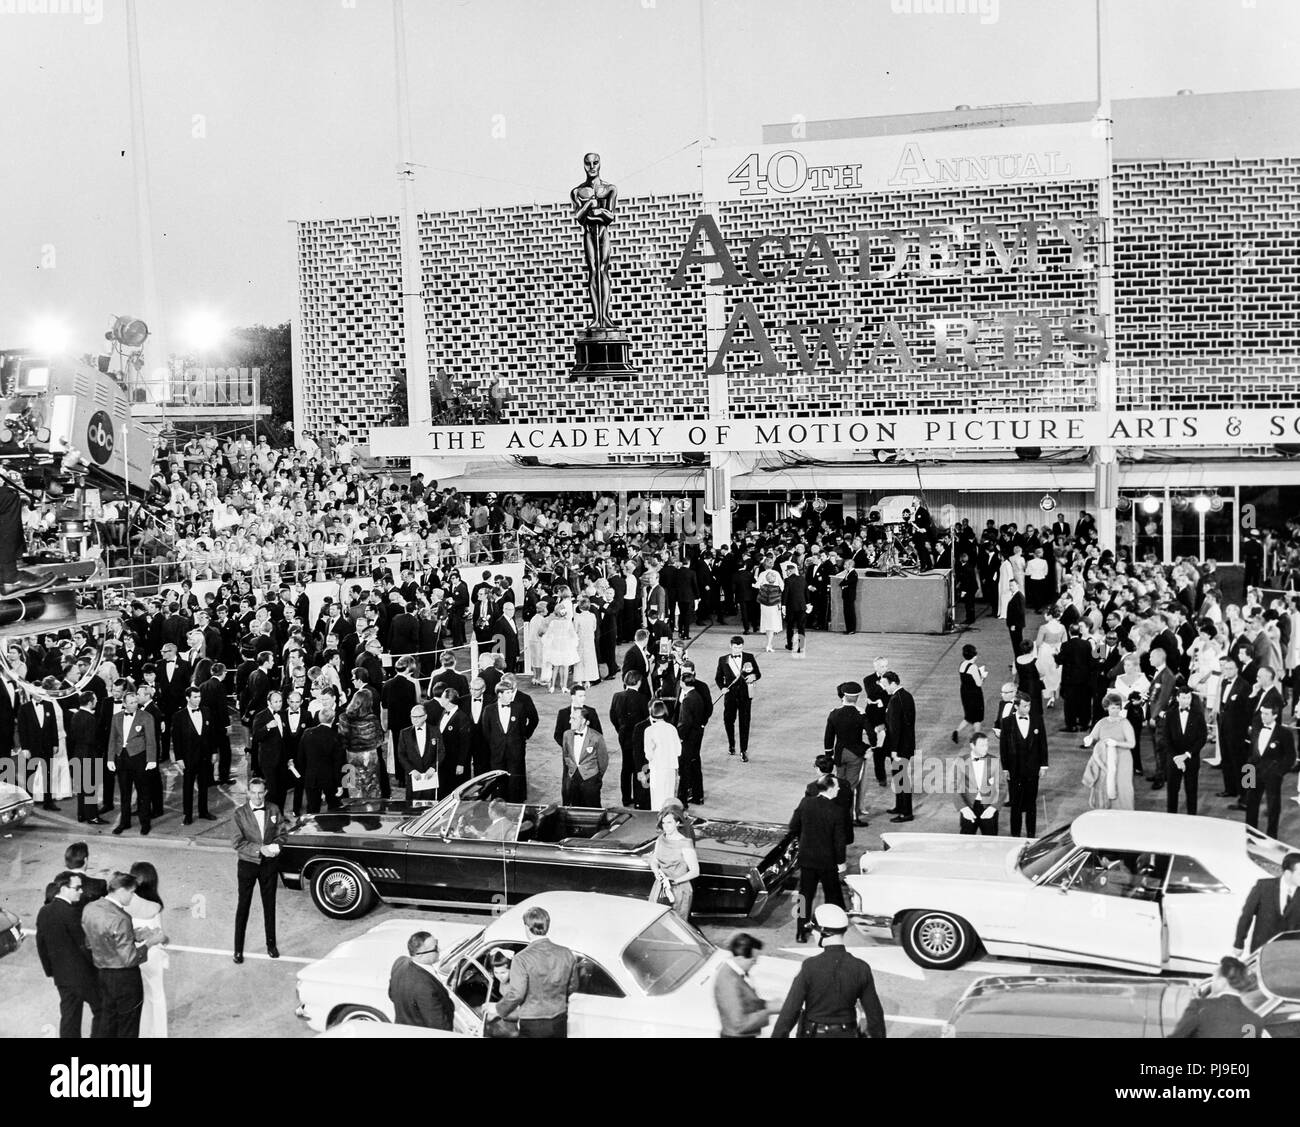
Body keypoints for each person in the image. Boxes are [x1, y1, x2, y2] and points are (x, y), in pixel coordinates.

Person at [771, 904, 886, 1039]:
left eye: (814, 929)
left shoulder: (810, 966)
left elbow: (790, 1010)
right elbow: (875, 1015)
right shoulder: (861, 968)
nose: (813, 933)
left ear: (823, 932)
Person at [81, 872, 166, 1039]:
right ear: (120, 890)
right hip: (125, 980)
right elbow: (130, 958)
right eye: (131, 892)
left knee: (107, 1022)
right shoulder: (122, 917)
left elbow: (91, 942)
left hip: (102, 974)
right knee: (128, 1026)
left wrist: (133, 934)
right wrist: (150, 942)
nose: (133, 897)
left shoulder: (90, 908)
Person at [487, 906, 581, 1038]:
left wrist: (498, 1009)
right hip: (559, 1019)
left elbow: (517, 994)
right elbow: (572, 986)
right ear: (546, 926)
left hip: (533, 1023)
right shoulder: (566, 953)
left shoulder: (521, 959)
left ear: (527, 927)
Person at [36, 871, 101, 1038]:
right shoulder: (73, 913)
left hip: (62, 977)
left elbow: (41, 945)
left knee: (70, 1017)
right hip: (83, 976)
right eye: (77, 888)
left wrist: (51, 971)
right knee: (103, 1010)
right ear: (63, 888)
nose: (81, 891)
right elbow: (85, 946)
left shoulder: (44, 912)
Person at [231, 777, 288, 964]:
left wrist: (277, 847)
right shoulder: (239, 813)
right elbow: (237, 842)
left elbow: (282, 834)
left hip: (269, 865)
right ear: (248, 792)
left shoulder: (273, 809)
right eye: (253, 792)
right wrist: (259, 849)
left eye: (260, 792)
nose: (256, 796)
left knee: (269, 905)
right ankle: (238, 950)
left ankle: (271, 946)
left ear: (265, 792)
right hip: (248, 865)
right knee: (243, 907)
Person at [790, 774, 847, 943]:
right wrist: (841, 862)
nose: (838, 789)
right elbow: (839, 840)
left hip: (807, 858)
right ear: (829, 788)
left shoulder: (805, 803)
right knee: (832, 895)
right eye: (836, 786)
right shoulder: (837, 811)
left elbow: (793, 827)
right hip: (827, 861)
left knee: (804, 896)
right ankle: (831, 927)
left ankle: (801, 931)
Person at [124, 861, 168, 1038]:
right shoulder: (154, 906)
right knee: (156, 995)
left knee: (137, 997)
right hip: (151, 955)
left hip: (129, 954)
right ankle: (158, 1033)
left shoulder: (125, 902)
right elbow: (160, 935)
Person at [1167, 957, 1263, 1038]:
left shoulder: (1200, 1007)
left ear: (1223, 981)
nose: (1213, 982)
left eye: (1215, 977)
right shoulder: (1255, 1020)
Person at [480, 673, 539, 803]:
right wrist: (496, 743)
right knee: (498, 782)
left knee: (515, 783)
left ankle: (515, 807)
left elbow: (522, 727)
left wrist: (520, 739)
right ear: (500, 694)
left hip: (515, 751)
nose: (511, 695)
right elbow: (486, 731)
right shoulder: (489, 710)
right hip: (497, 751)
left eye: (511, 692)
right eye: (507, 693)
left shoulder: (519, 707)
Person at [107, 691, 158, 837]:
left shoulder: (146, 717)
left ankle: (145, 823)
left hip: (139, 757)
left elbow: (151, 740)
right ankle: (124, 822)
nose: (134, 705)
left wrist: (152, 760)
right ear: (124, 704)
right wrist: (110, 759)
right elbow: (112, 739)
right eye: (131, 703)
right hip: (121, 758)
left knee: (143, 793)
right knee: (124, 793)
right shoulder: (116, 717)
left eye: (136, 702)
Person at [1242, 702, 1296, 839]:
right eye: (1262, 713)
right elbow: (1250, 750)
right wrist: (1247, 772)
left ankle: (1271, 836)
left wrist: (1278, 772)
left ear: (1275, 715)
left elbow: (1291, 757)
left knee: (1273, 806)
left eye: (1266, 714)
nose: (1263, 716)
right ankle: (1250, 833)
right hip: (1252, 771)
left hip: (1272, 774)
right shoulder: (1256, 729)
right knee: (1250, 802)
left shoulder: (1284, 733)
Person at [714, 932, 781, 1038]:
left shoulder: (737, 972)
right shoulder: (729, 981)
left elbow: (746, 1002)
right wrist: (769, 1011)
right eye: (753, 959)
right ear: (740, 958)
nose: (755, 963)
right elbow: (739, 1023)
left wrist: (766, 1004)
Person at [1000, 692, 1049, 838]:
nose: (1028, 708)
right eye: (1024, 706)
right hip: (1014, 770)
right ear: (1016, 706)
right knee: (1015, 804)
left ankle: (1031, 835)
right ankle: (1015, 835)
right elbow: (1004, 747)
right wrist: (1005, 768)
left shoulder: (1037, 720)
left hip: (1032, 769)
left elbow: (1042, 743)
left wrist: (1043, 765)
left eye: (1029, 705)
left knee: (1031, 804)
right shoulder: (1007, 722)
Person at [1233, 852, 1300, 954]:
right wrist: (1239, 943)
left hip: (1290, 952)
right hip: (1262, 949)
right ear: (1288, 873)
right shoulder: (1263, 887)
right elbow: (1247, 915)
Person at [823, 681, 870, 827]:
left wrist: (829, 754)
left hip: (839, 754)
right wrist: (870, 747)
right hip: (855, 754)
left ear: (844, 696)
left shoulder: (834, 713)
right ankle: (852, 818)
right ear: (856, 697)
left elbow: (828, 737)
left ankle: (838, 815)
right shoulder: (861, 713)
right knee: (852, 787)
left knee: (839, 785)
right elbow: (871, 733)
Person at [388, 931, 454, 1030]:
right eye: (435, 948)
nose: (439, 950)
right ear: (419, 954)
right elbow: (440, 1027)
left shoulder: (400, 962)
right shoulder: (425, 987)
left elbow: (392, 994)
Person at [1081, 691, 1136, 810]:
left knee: (1122, 787)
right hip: (1105, 760)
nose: (1115, 710)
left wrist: (1116, 743)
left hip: (1123, 759)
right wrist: (1088, 739)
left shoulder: (1125, 723)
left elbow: (1132, 744)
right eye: (1112, 707)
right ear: (1106, 708)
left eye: (1117, 707)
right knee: (1104, 786)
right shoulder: (1102, 722)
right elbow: (1093, 737)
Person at [1163, 679, 1207, 815]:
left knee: (1191, 791)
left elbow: (1202, 738)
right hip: (1173, 759)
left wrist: (1186, 755)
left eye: (1188, 698)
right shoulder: (1170, 715)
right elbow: (1166, 738)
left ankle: (1192, 819)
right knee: (1172, 791)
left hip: (1191, 759)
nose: (1186, 701)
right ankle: (1171, 819)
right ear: (1177, 698)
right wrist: (1176, 757)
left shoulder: (1198, 714)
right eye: (1183, 698)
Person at [714, 635, 761, 762]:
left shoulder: (749, 657)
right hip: (730, 696)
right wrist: (722, 687)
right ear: (730, 646)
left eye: (740, 648)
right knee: (728, 720)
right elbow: (718, 678)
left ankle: (743, 750)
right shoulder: (723, 659)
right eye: (735, 648)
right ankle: (731, 744)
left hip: (745, 696)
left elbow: (758, 673)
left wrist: (754, 677)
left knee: (745, 722)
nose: (738, 650)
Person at [649, 805, 699, 921]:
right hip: (660, 887)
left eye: (669, 823)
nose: (665, 827)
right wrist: (656, 871)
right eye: (663, 823)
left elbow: (695, 871)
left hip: (679, 890)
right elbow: (654, 860)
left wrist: (675, 881)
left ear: (677, 823)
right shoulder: (661, 839)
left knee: (676, 924)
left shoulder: (685, 844)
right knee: (656, 921)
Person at [610, 670, 650, 807]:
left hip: (623, 736)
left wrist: (620, 729)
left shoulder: (617, 696)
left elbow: (613, 716)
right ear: (639, 682)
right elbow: (646, 720)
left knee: (625, 768)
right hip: (638, 737)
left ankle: (626, 798)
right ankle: (638, 798)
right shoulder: (643, 698)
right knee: (637, 766)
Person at [881, 671, 916, 823]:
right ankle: (899, 806)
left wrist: (894, 750)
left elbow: (895, 728)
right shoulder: (906, 696)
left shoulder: (895, 700)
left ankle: (906, 812)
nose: (884, 688)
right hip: (906, 745)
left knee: (901, 779)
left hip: (899, 748)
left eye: (885, 685)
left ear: (893, 683)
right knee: (899, 778)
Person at [951, 733, 1000, 835]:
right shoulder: (961, 761)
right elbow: (954, 787)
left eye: (986, 745)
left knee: (991, 841)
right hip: (969, 806)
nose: (985, 749)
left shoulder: (995, 761)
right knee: (966, 841)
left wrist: (993, 807)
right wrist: (963, 808)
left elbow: (1002, 787)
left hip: (988, 807)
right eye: (982, 745)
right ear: (972, 746)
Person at [561, 706, 609, 807]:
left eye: (574, 718)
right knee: (575, 809)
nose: (570, 721)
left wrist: (596, 778)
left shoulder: (596, 737)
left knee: (593, 810)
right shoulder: (566, 735)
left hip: (590, 780)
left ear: (583, 721)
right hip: (573, 779)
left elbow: (603, 761)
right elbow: (566, 756)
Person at [642, 700, 681, 811]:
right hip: (670, 768)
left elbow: (648, 755)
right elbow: (678, 751)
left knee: (657, 799)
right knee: (669, 797)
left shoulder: (649, 730)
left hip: (657, 770)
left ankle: (659, 822)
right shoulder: (672, 728)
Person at [952, 644, 987, 744]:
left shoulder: (962, 664)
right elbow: (979, 683)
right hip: (974, 694)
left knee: (969, 716)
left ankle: (956, 731)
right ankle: (977, 739)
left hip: (964, 692)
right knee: (977, 718)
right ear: (974, 655)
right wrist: (983, 676)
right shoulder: (973, 667)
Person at [754, 561, 783, 652]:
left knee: (766, 623)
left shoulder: (762, 574)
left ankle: (769, 643)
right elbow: (782, 586)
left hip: (764, 603)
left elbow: (757, 585)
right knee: (772, 624)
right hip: (775, 603)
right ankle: (769, 644)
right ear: (773, 565)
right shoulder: (776, 573)